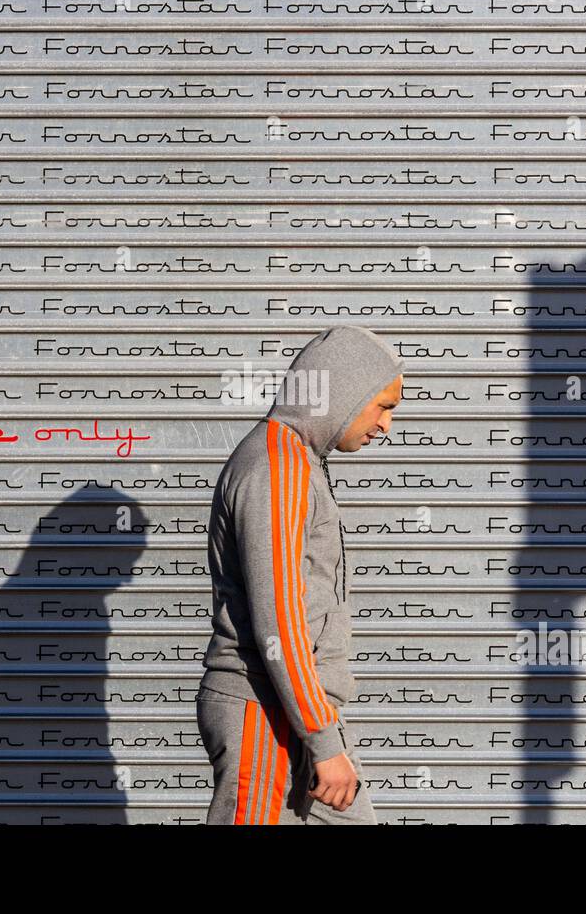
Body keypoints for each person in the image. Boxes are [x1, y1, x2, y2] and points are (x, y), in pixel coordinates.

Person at [196, 325, 405, 824]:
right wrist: (324, 743)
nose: (386, 425)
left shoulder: (297, 462)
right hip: (264, 711)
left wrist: (321, 732)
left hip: (298, 713)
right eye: (383, 406)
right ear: (342, 392)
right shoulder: (277, 468)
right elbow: (279, 621)